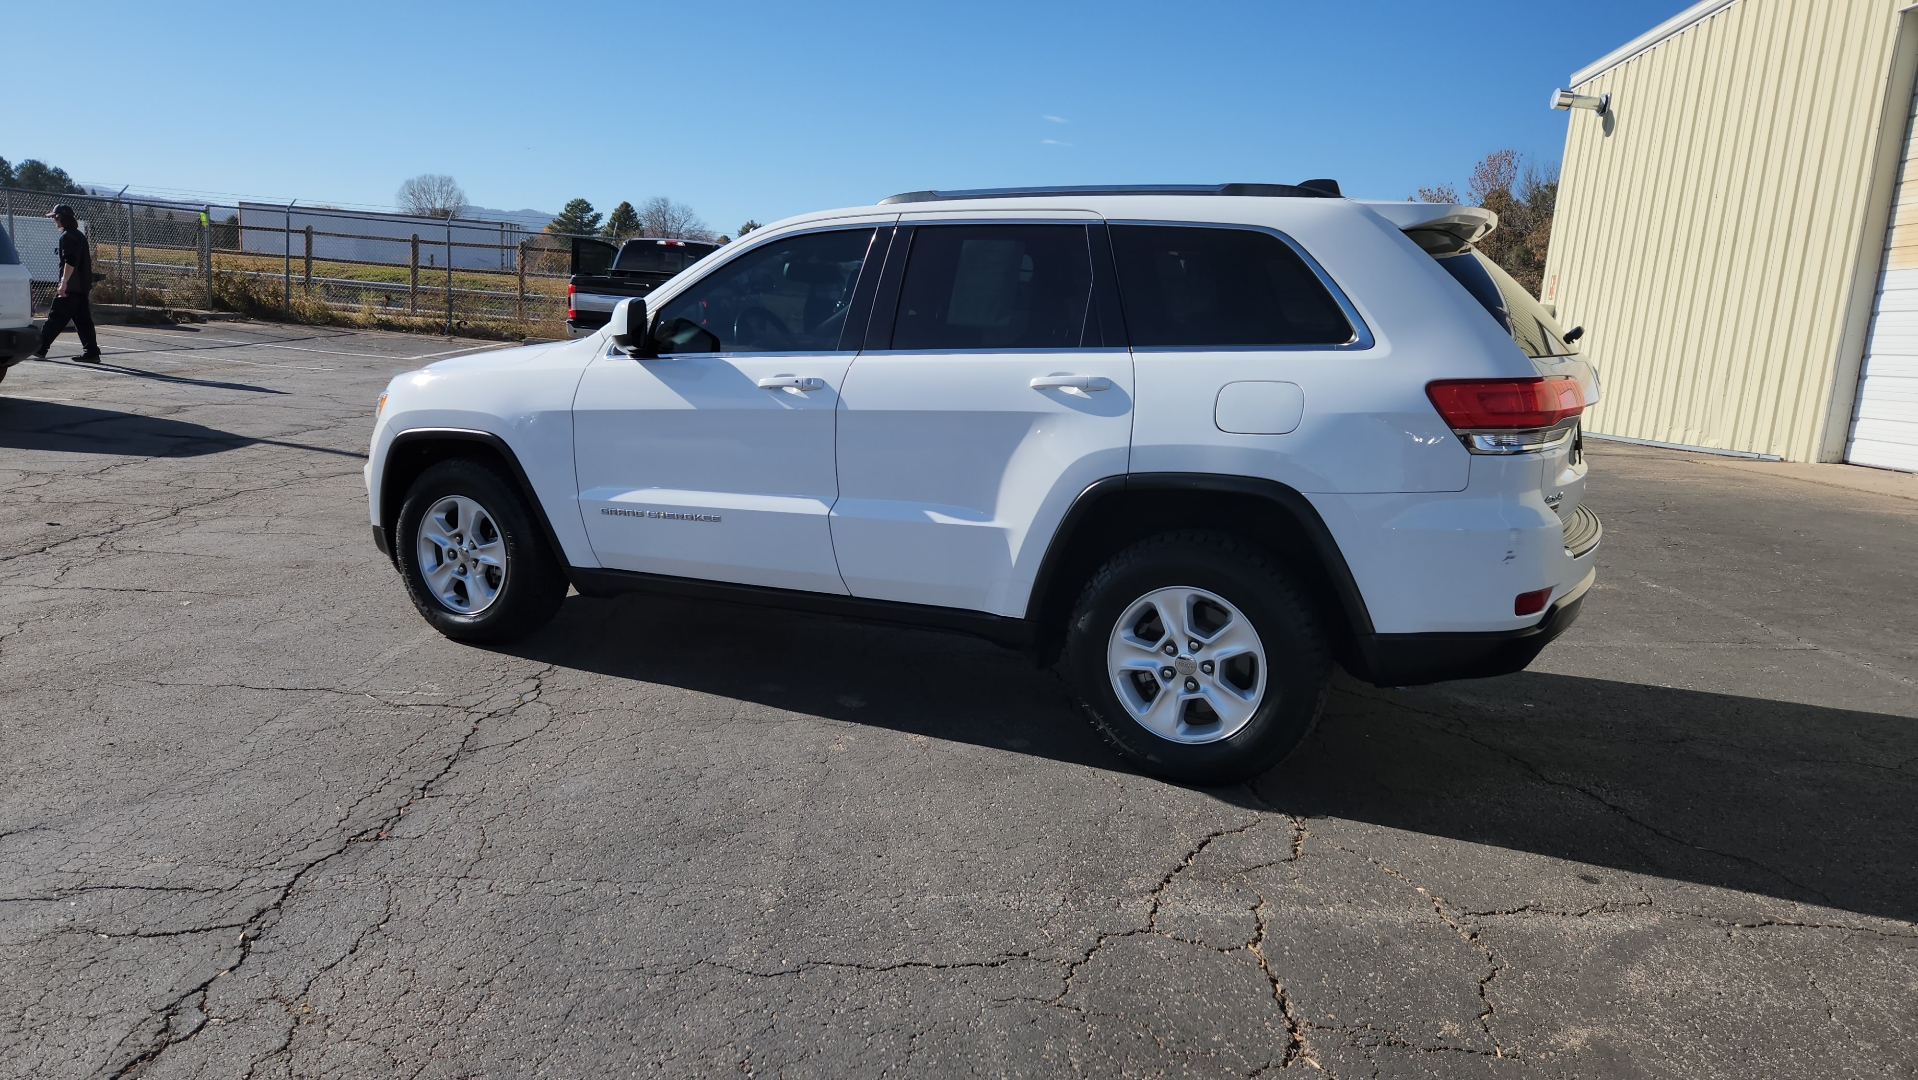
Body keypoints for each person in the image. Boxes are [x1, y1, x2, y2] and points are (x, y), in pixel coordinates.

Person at [29, 204, 101, 363]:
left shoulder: (67, 237)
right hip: (81, 287)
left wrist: (63, 282)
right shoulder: (79, 236)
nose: (54, 221)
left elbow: (70, 261)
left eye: (55, 217)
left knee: (55, 318)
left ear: (61, 218)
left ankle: (40, 348)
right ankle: (91, 352)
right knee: (83, 321)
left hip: (71, 287)